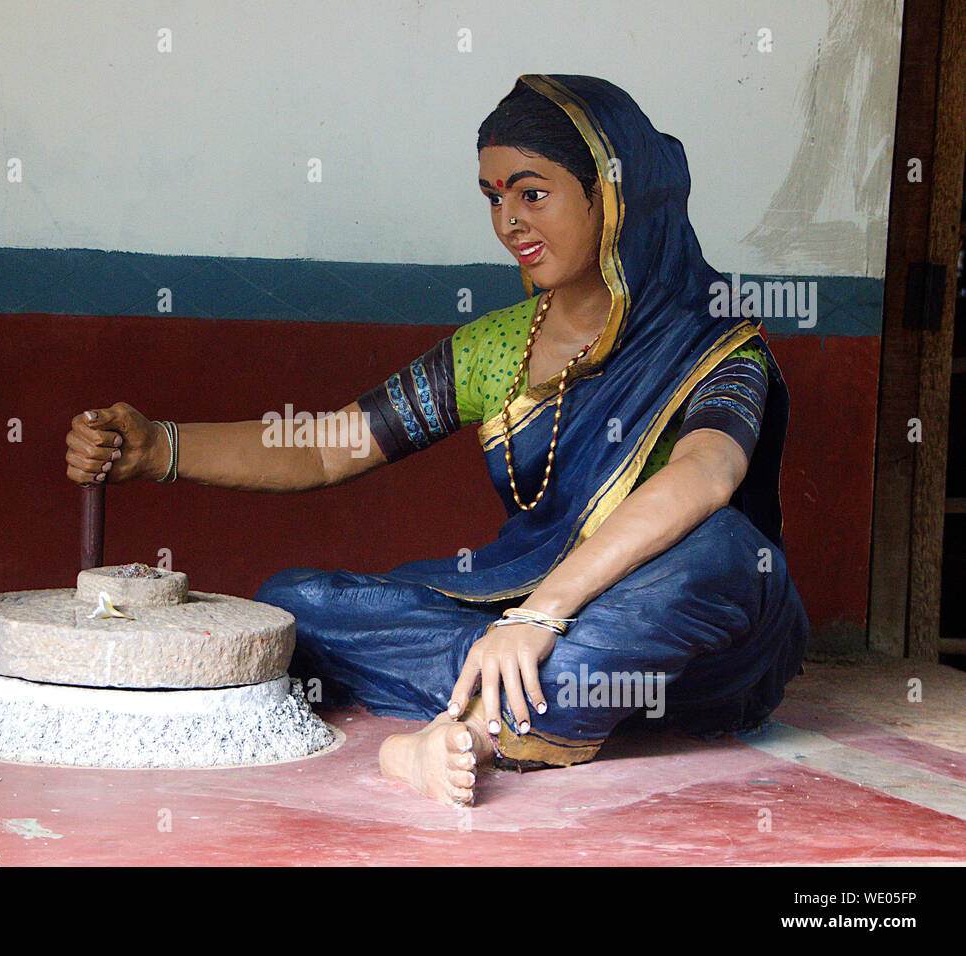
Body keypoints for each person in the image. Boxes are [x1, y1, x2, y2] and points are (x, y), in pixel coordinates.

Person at [65, 74, 809, 808]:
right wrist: (160, 448)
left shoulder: (713, 347)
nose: (510, 222)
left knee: (727, 554)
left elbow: (707, 473)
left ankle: (474, 724)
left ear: (611, 196)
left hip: (666, 638)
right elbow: (328, 447)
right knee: (297, 602)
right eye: (494, 198)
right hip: (526, 618)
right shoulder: (498, 348)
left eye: (533, 192)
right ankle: (513, 689)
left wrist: (540, 616)